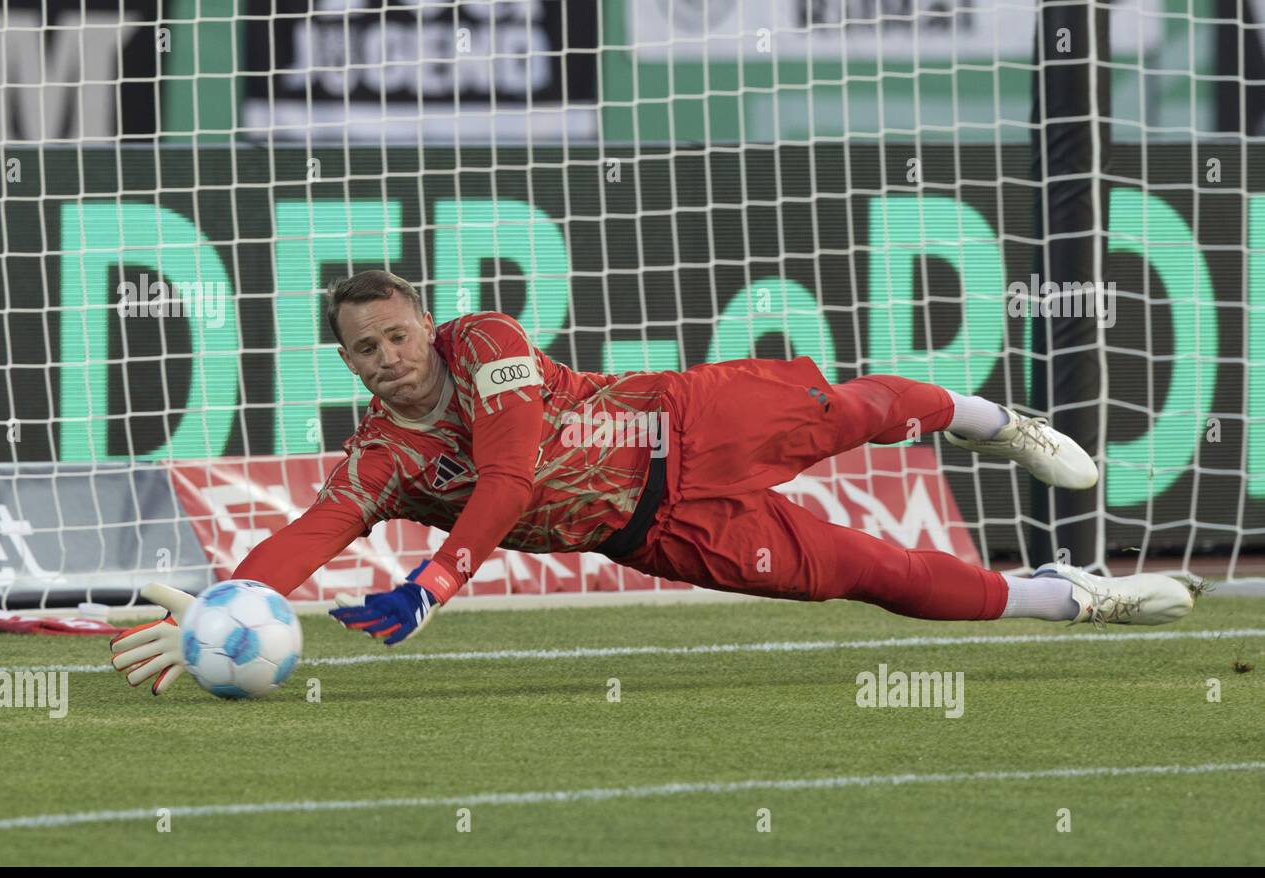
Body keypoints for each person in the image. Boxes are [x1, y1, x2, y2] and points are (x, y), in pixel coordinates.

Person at [112, 270, 1197, 694]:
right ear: (345, 361)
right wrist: (224, 600)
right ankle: (1076, 594)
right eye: (366, 349)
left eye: (397, 334)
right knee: (868, 573)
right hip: (648, 531)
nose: (390, 356)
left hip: (681, 425)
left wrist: (433, 583)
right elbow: (309, 532)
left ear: (420, 324)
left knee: (853, 410)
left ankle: (995, 420)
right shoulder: (379, 459)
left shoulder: (481, 340)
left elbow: (506, 475)